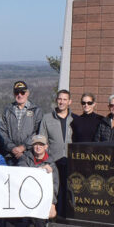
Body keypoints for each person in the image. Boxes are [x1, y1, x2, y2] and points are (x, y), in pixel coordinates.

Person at [16, 135, 59, 227]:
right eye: (36, 144)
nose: (38, 147)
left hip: (39, 197)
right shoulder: (25, 158)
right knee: (12, 201)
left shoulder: (51, 164)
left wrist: (53, 204)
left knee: (42, 205)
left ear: (46, 147)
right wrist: (39, 170)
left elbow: (54, 185)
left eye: (41, 145)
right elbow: (20, 172)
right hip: (24, 193)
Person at [38, 90, 73, 218]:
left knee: (68, 189)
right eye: (60, 99)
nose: (62, 102)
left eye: (65, 99)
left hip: (69, 159)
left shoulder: (74, 119)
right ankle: (53, 216)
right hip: (53, 160)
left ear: (69, 102)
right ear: (56, 100)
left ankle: (66, 216)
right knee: (53, 189)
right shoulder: (47, 118)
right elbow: (42, 139)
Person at [0, 80, 42, 163]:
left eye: (22, 92)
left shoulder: (36, 111)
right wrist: (12, 148)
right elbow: (2, 131)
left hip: (29, 155)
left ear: (27, 93)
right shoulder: (7, 111)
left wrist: (24, 147)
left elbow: (37, 131)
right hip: (11, 155)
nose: (19, 95)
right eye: (17, 92)